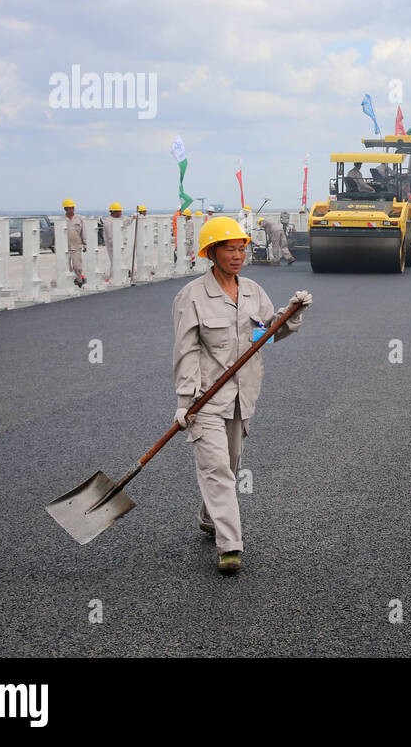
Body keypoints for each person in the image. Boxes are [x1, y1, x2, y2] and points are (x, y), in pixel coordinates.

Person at [172, 216, 311, 573]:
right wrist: (184, 401)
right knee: (217, 467)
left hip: (242, 396)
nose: (237, 256)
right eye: (229, 249)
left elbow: (265, 334)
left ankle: (209, 515)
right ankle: (229, 545)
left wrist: (290, 315)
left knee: (229, 464)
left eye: (241, 249)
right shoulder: (192, 297)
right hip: (206, 398)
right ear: (212, 253)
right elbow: (186, 351)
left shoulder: (252, 291)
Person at [61, 198, 87, 287]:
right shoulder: (62, 220)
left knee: (77, 266)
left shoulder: (79, 219)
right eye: (70, 208)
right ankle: (70, 282)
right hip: (65, 247)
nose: (72, 209)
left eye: (73, 207)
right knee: (66, 267)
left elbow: (83, 232)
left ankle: (79, 279)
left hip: (76, 246)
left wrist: (85, 244)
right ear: (66, 209)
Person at [103, 202, 124, 280]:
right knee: (114, 261)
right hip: (112, 245)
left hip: (117, 244)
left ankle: (117, 276)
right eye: (120, 211)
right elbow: (110, 236)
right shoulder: (108, 222)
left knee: (118, 261)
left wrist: (132, 219)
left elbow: (124, 223)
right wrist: (115, 245)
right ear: (115, 212)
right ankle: (113, 277)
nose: (121, 213)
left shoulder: (116, 220)